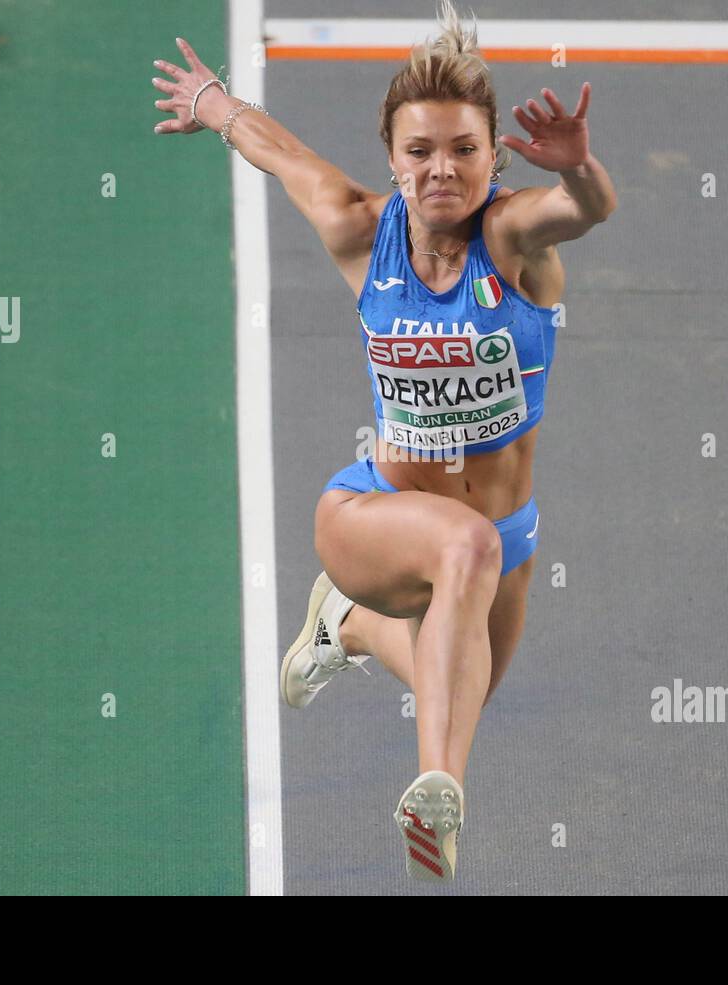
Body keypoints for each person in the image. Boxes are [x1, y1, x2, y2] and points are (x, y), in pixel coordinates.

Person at [152, 0, 616, 881]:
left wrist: (582, 168)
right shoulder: (362, 232)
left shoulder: (514, 237)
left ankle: (350, 625)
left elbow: (589, 209)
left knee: (468, 676)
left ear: (496, 154)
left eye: (464, 149)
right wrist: (214, 103)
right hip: (372, 511)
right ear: (393, 160)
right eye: (420, 151)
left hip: (506, 538)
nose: (442, 167)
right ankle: (438, 793)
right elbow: (282, 154)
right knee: (463, 553)